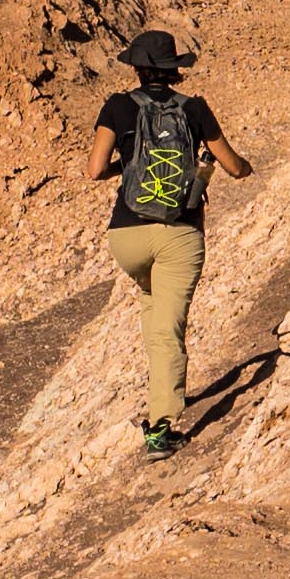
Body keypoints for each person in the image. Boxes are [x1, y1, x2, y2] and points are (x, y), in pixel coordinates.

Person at [90, 30, 251, 458]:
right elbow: (233, 166)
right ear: (175, 69)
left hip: (126, 236)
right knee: (168, 330)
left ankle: (159, 390)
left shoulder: (119, 106)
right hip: (180, 234)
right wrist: (244, 166)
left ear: (137, 67)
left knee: (153, 308)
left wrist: (122, 167)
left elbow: (93, 169)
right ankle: (160, 429)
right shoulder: (194, 109)